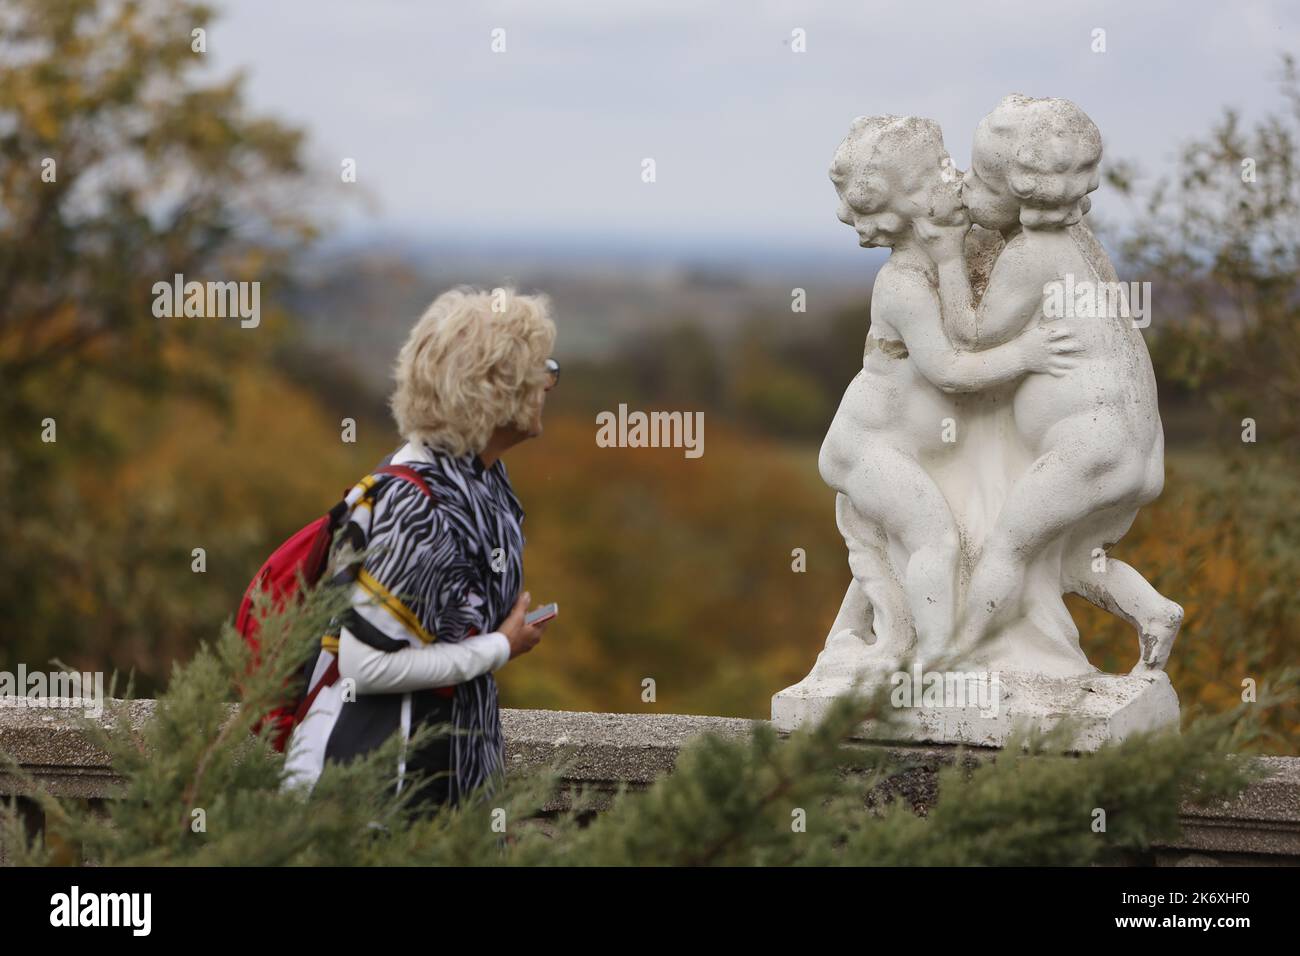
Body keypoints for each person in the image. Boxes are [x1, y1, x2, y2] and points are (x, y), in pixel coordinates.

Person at [283, 286, 559, 809]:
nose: (549, 383)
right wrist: (501, 646)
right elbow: (367, 665)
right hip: (373, 796)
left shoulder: (479, 480)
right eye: (539, 371)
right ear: (497, 391)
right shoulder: (417, 507)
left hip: (434, 781)